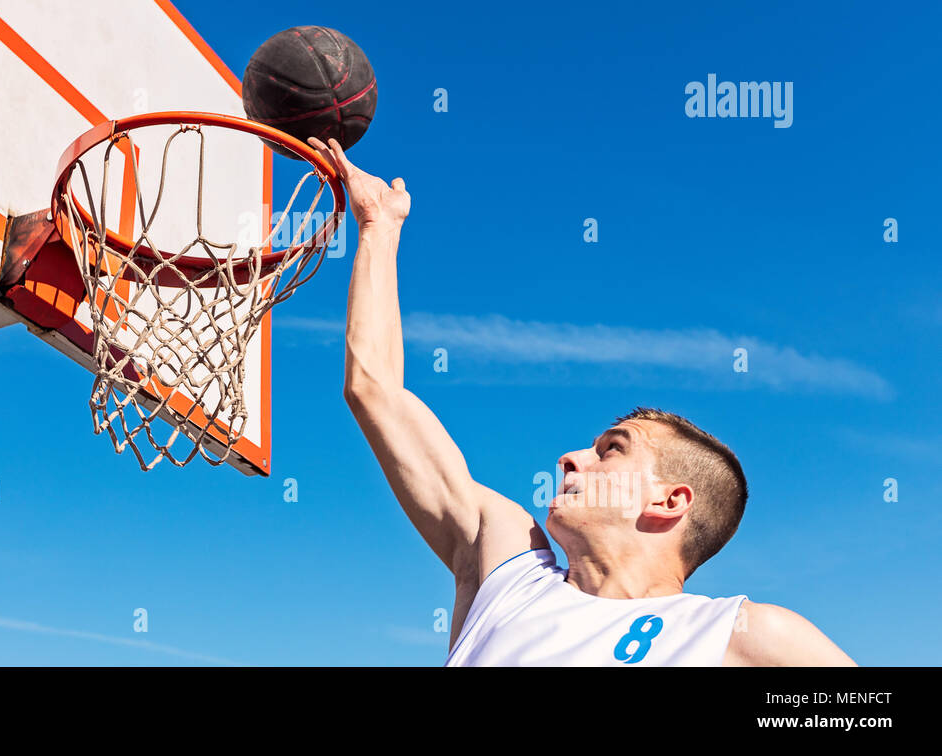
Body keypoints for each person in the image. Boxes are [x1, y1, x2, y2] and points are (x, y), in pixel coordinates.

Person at [310, 136, 856, 667]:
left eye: (612, 450)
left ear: (669, 501)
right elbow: (376, 390)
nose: (571, 458)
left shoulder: (738, 636)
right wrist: (379, 230)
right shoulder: (509, 568)